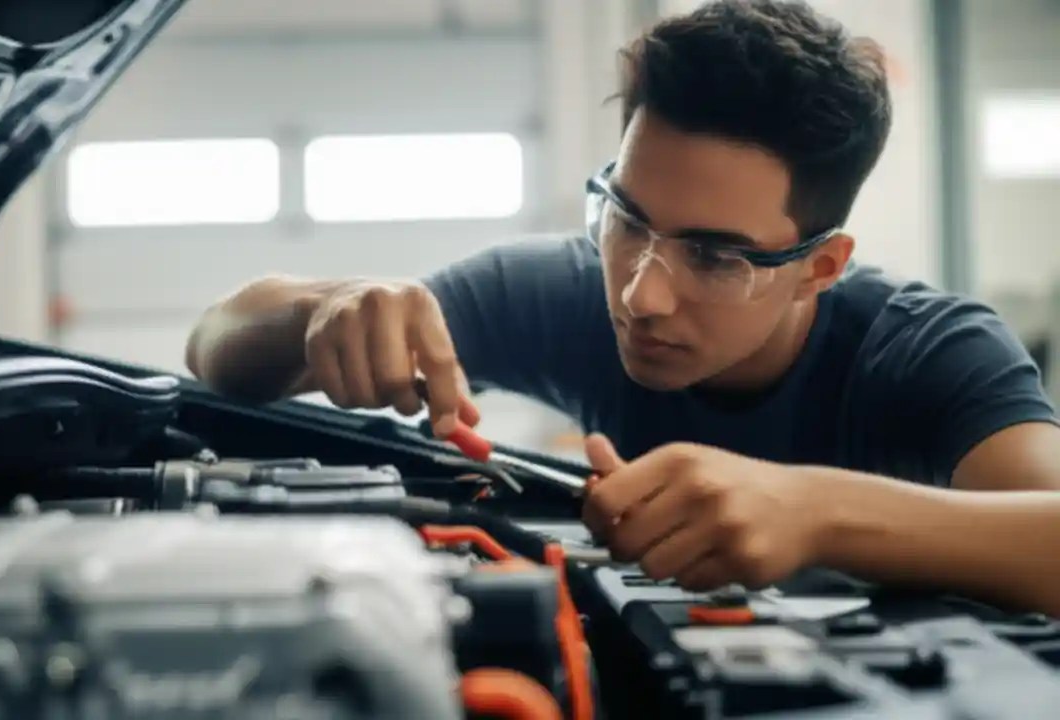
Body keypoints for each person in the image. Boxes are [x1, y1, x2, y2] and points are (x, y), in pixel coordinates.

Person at [184, 0, 1060, 617]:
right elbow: (214, 345)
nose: (642, 294)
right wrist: (320, 311)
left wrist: (814, 512)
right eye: (629, 220)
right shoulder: (562, 293)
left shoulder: (930, 351)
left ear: (818, 267)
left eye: (716, 255)